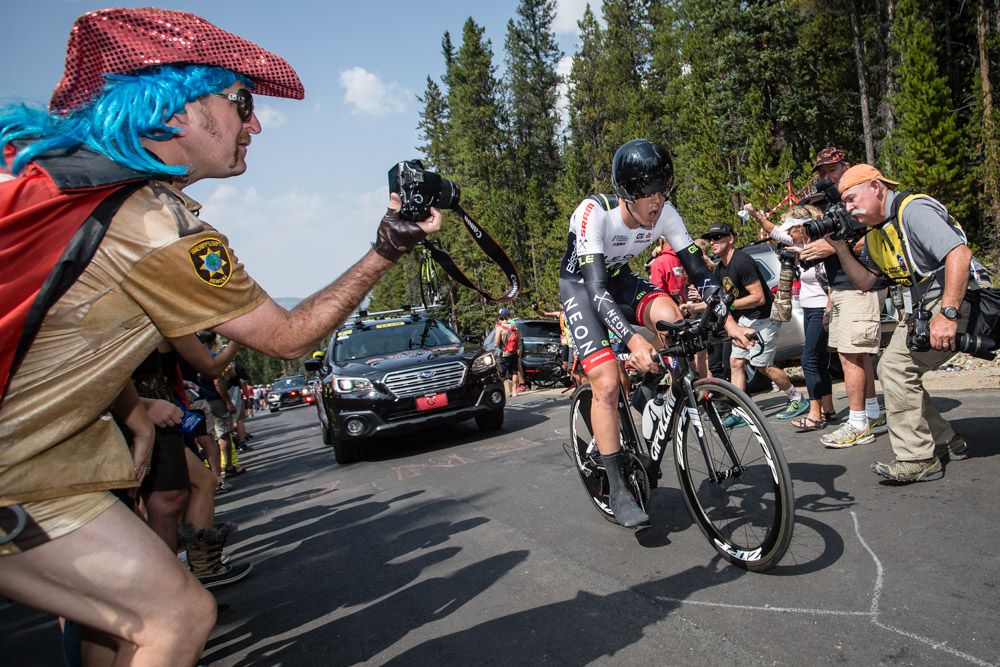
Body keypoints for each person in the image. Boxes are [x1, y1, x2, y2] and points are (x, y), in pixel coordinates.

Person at [0, 8, 440, 663]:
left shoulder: (72, 184)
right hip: (21, 475)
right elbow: (288, 337)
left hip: (38, 472)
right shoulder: (153, 225)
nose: (255, 123)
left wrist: (135, 407)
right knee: (176, 614)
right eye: (242, 102)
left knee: (125, 620)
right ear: (178, 105)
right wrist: (386, 247)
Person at [559, 138, 754, 528]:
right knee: (608, 383)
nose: (657, 202)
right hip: (583, 288)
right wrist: (632, 341)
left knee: (671, 315)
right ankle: (616, 485)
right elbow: (596, 292)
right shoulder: (593, 214)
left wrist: (727, 319)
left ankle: (667, 392)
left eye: (662, 190)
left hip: (620, 280)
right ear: (626, 194)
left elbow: (700, 272)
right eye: (647, 194)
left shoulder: (666, 213)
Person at [831, 164, 974, 483]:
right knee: (895, 371)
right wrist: (840, 247)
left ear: (876, 187)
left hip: (964, 297)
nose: (848, 207)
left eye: (852, 198)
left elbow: (959, 255)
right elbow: (867, 281)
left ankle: (917, 458)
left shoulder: (913, 210)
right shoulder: (877, 234)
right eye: (844, 203)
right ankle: (947, 441)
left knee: (895, 368)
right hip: (926, 307)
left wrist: (948, 313)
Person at [797, 147, 887, 447]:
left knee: (850, 357)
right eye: (822, 172)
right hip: (842, 287)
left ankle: (858, 423)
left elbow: (873, 238)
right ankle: (871, 412)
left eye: (832, 170)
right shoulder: (833, 204)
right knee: (858, 354)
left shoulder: (860, 199)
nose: (827, 177)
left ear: (846, 167)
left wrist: (831, 246)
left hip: (860, 284)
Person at [691, 222, 808, 426]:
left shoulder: (742, 261)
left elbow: (759, 298)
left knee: (762, 366)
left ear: (731, 239)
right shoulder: (721, 267)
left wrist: (730, 304)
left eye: (718, 237)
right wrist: (696, 307)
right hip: (746, 320)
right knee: (735, 363)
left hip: (764, 318)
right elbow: (717, 298)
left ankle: (797, 399)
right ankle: (741, 412)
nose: (713, 242)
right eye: (711, 238)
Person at [747, 205, 836, 430]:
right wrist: (756, 214)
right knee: (818, 361)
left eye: (790, 230)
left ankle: (815, 415)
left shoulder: (819, 248)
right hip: (807, 307)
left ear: (800, 228)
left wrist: (828, 309)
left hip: (820, 308)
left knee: (809, 360)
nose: (787, 235)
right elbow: (773, 231)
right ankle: (829, 408)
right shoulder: (799, 244)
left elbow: (833, 282)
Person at [648, 236, 688, 304]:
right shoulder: (686, 258)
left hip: (671, 309)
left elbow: (657, 295)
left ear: (661, 241)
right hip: (688, 308)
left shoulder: (659, 262)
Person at [494, 309, 522, 397]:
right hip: (514, 353)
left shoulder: (499, 328)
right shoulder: (514, 326)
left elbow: (496, 343)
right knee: (514, 371)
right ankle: (514, 391)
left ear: (499, 320)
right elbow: (519, 339)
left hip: (504, 354)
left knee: (500, 372)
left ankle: (501, 390)